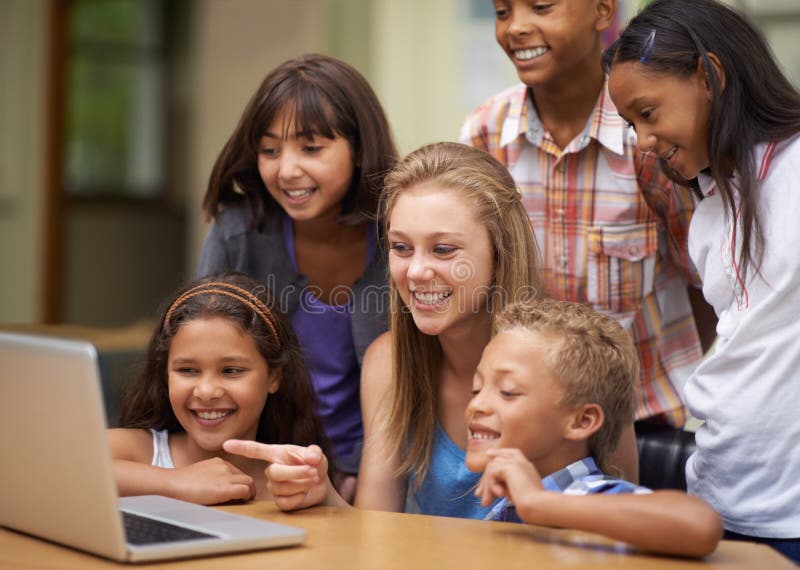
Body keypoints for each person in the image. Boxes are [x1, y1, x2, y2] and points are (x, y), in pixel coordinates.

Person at [227, 142, 632, 516]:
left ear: (499, 251)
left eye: (443, 250)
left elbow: (628, 524)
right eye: (402, 248)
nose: (416, 272)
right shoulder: (388, 361)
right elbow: (376, 528)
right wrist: (322, 494)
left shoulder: (577, 358)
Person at [460, 0, 716, 440]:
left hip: (641, 420)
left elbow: (706, 286)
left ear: (602, 11)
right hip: (527, 428)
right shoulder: (486, 133)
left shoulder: (649, 135)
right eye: (502, 12)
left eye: (541, 7)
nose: (516, 27)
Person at [603, 0, 800, 562]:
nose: (642, 140)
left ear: (710, 75)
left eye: (648, 112)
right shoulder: (713, 204)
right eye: (631, 124)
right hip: (720, 495)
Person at [196, 53, 399, 499]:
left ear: (359, 149)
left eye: (311, 148)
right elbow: (196, 361)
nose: (286, 170)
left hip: (381, 476)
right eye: (270, 150)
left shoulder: (399, 239)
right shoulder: (238, 234)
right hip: (261, 473)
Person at [468, 299, 722, 558]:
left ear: (581, 421)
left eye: (508, 392)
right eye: (476, 389)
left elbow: (700, 524)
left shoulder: (586, 492)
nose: (477, 404)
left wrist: (538, 502)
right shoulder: (510, 501)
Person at [108, 272, 329, 506]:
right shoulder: (141, 451)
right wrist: (174, 483)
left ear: (274, 376)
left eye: (231, 371)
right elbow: (68, 465)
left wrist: (323, 492)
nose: (206, 391)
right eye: (188, 370)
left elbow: (358, 533)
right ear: (165, 374)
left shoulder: (291, 478)